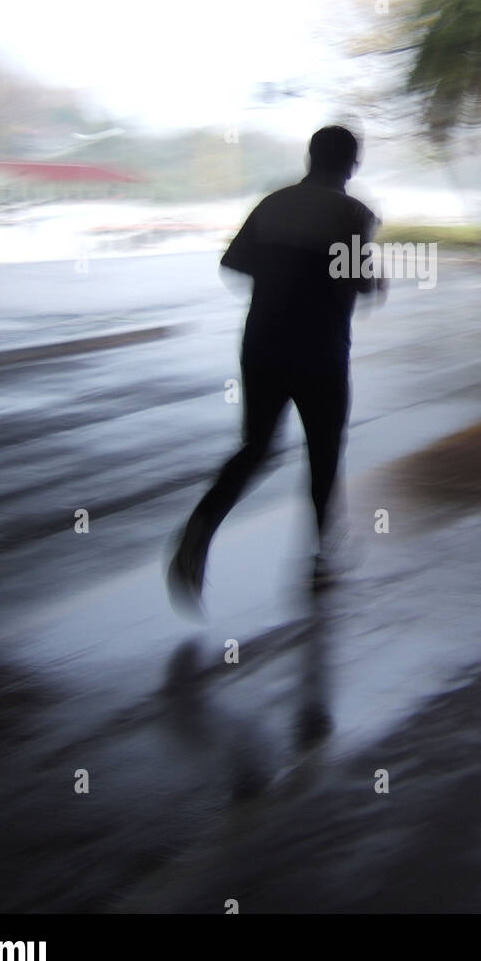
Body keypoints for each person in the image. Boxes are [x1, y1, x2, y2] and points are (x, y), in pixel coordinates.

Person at [167, 125, 382, 620]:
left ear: (310, 156)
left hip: (262, 344)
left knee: (257, 447)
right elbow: (364, 284)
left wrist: (281, 275)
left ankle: (199, 528)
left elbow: (233, 262)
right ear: (351, 164)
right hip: (322, 351)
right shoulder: (352, 214)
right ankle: (322, 555)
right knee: (323, 450)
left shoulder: (273, 203)